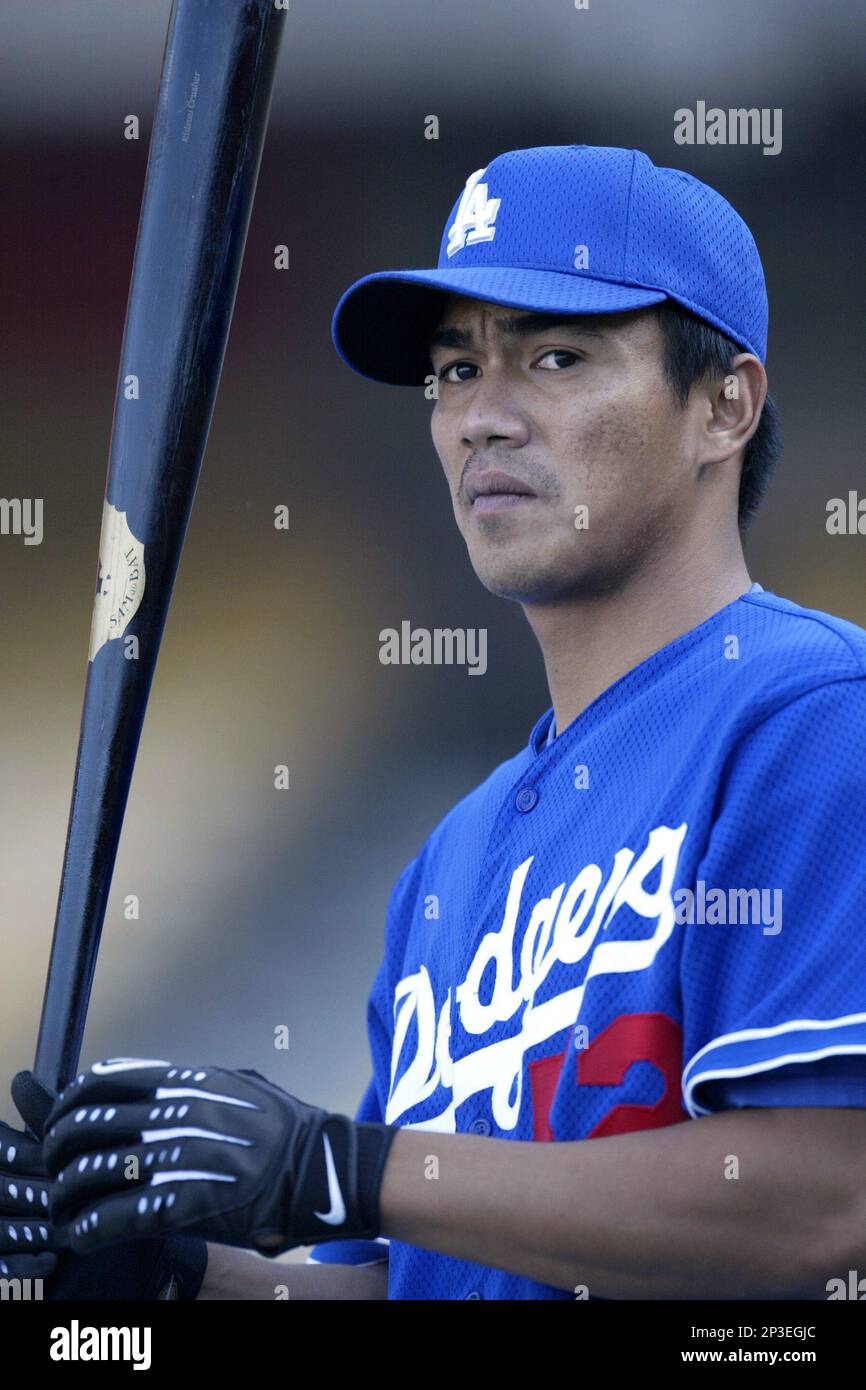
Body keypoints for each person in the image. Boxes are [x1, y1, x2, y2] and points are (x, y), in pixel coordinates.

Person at [5, 145, 866, 1301]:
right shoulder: (445, 868)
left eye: (554, 357)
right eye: (456, 369)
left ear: (723, 407)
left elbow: (819, 1198)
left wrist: (343, 1166)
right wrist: (167, 1275)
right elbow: (403, 1283)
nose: (480, 419)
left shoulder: (804, 719)